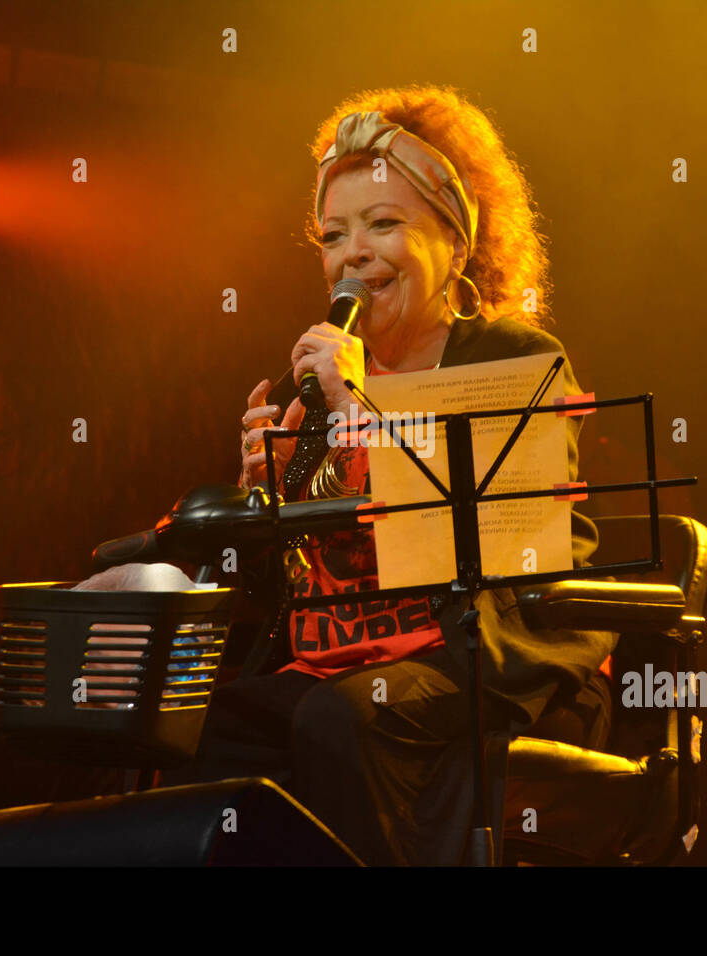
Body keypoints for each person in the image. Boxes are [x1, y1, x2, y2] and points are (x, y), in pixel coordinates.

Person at [177, 86, 617, 866]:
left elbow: (496, 544)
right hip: (345, 657)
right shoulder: (318, 388)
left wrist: (361, 404)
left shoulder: (514, 357)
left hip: (488, 655)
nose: (354, 253)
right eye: (334, 234)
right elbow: (302, 574)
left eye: (385, 224)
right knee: (201, 721)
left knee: (337, 721)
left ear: (454, 243)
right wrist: (270, 498)